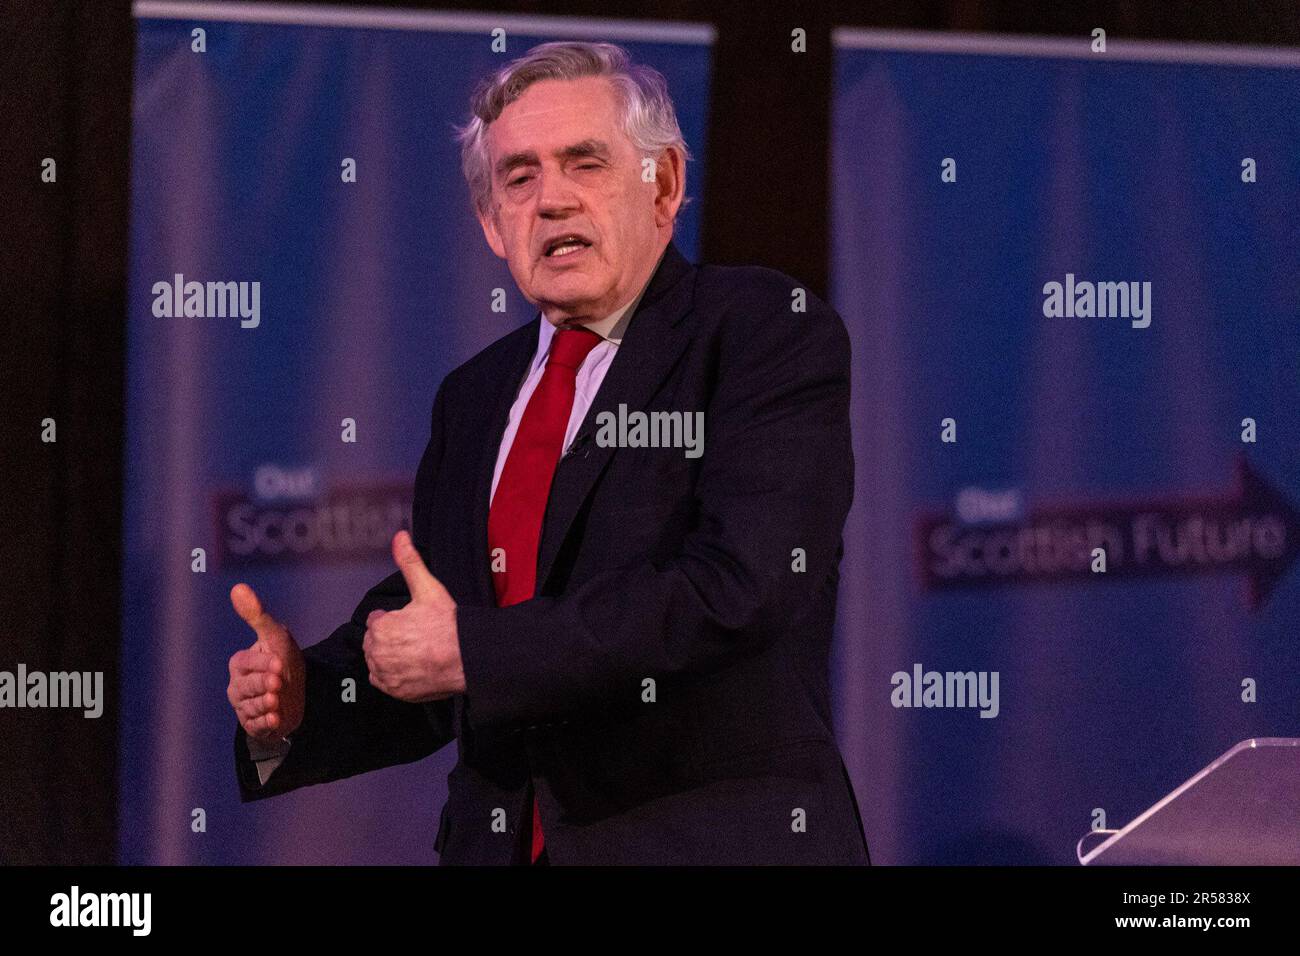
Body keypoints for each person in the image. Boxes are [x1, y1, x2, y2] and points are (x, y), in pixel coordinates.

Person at [226, 40, 870, 865]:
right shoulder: (474, 396)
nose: (552, 200)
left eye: (586, 163)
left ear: (664, 185)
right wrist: (305, 699)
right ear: (492, 225)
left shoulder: (758, 331)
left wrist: (473, 650)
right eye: (519, 178)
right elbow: (446, 641)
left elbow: (741, 585)